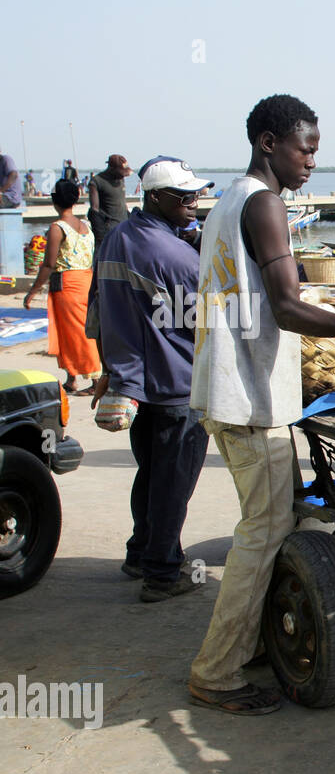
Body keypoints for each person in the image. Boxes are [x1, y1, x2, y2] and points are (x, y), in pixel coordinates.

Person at [187, 94, 335, 715]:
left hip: (238, 389)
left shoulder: (230, 201)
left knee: (280, 520)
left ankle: (256, 643)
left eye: (315, 149)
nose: (312, 160)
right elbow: (287, 306)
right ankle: (216, 671)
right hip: (247, 396)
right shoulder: (263, 203)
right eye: (304, 148)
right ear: (268, 143)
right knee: (262, 532)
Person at [91, 156, 213, 602]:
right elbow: (211, 320)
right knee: (173, 482)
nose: (193, 204)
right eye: (184, 198)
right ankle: (162, 572)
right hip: (177, 382)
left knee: (151, 473)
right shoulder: (176, 255)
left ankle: (139, 552)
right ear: (156, 197)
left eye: (196, 194)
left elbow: (97, 309)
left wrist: (111, 368)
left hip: (135, 382)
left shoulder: (116, 237)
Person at [23, 179, 99, 394]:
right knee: (68, 332)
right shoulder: (85, 226)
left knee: (77, 332)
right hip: (85, 281)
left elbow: (48, 264)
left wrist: (32, 292)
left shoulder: (58, 228)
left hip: (68, 286)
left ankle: (94, 379)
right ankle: (72, 377)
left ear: (55, 200)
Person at [87, 154, 133, 247]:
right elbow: (94, 210)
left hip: (124, 227)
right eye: (121, 173)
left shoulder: (120, 180)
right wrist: (101, 237)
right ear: (111, 168)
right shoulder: (97, 181)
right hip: (109, 229)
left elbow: (122, 203)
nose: (122, 176)